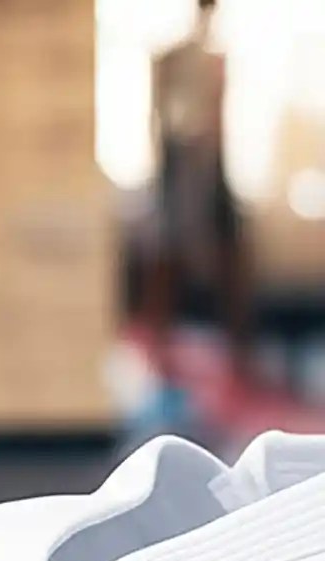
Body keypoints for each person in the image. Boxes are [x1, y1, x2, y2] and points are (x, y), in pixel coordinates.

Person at [143, 0, 250, 419]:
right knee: (166, 258)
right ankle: (161, 352)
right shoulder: (173, 57)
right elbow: (162, 117)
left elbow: (217, 121)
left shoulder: (215, 59)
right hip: (179, 161)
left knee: (228, 256)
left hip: (207, 163)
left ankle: (237, 354)